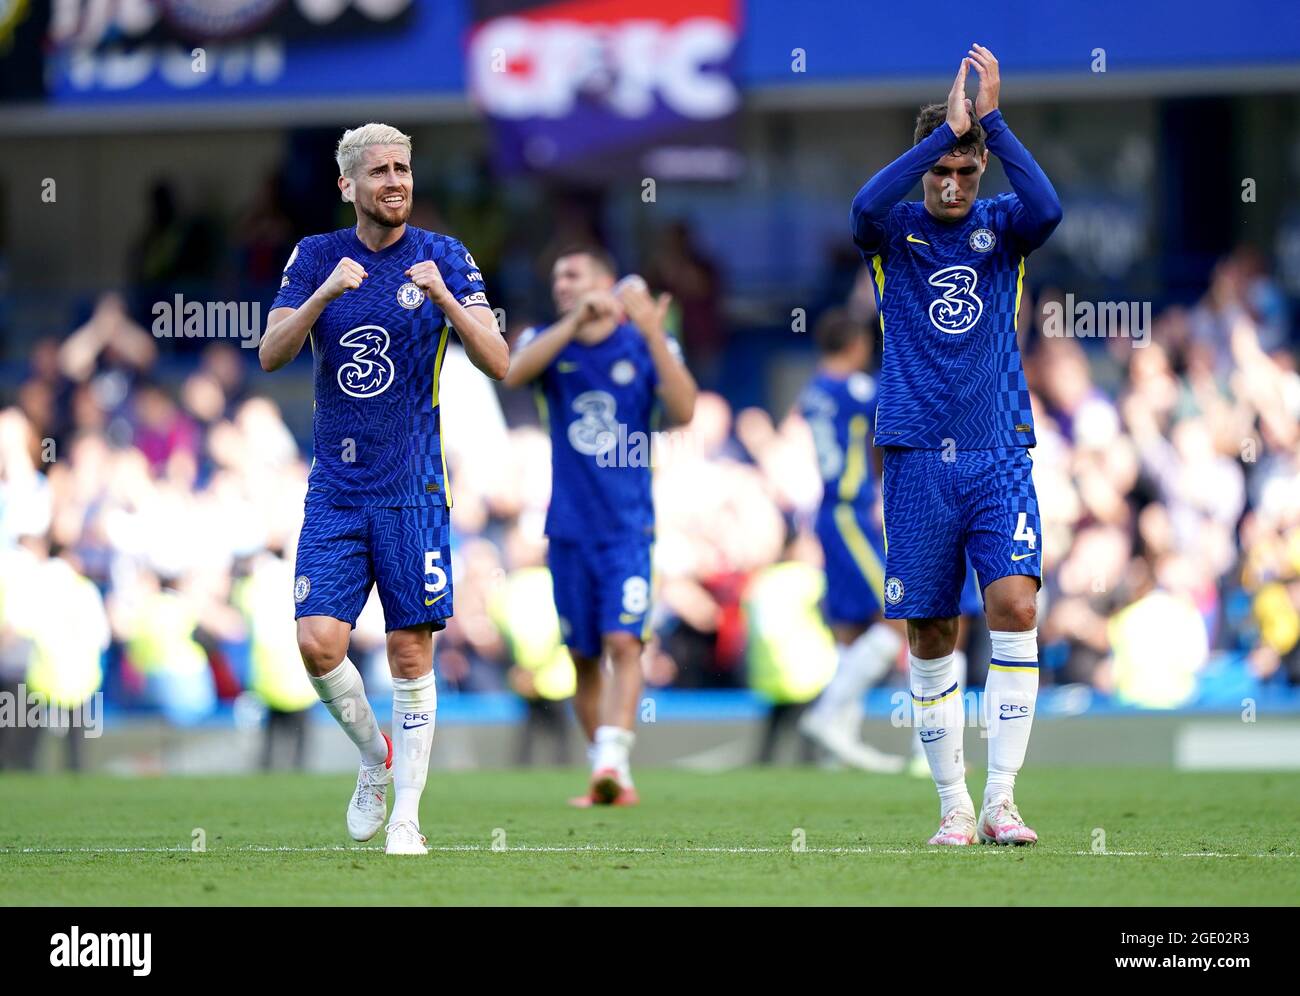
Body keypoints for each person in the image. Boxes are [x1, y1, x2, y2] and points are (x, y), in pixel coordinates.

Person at [258, 123, 508, 855]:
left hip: (415, 489)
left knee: (409, 653)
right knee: (316, 642)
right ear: (348, 187)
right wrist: (324, 296)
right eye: (379, 172)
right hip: (336, 490)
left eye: (403, 168)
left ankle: (408, 817)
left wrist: (449, 304)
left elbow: (498, 359)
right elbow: (271, 353)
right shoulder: (315, 258)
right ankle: (374, 756)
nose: (396, 181)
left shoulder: (445, 257)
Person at [848, 47, 1062, 846]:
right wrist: (938, 136)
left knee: (1015, 605)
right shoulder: (891, 231)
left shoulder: (1003, 226)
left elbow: (1049, 207)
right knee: (931, 629)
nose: (951, 185)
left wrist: (992, 124)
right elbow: (862, 205)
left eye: (965, 172)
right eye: (940, 170)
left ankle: (1003, 799)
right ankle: (953, 807)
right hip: (911, 454)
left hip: (997, 446)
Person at [504, 249, 697, 805]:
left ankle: (613, 757)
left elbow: (684, 413)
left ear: (607, 283)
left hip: (628, 528)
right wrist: (572, 322)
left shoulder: (642, 344)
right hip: (567, 528)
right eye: (557, 276)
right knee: (583, 657)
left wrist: (654, 333)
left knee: (624, 640)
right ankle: (607, 771)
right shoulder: (547, 340)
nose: (562, 284)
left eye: (574, 275)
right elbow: (513, 373)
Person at [795, 309, 905, 772]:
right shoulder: (855, 388)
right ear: (856, 344)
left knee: (851, 627)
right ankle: (825, 716)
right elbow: (891, 406)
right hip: (850, 513)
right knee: (897, 614)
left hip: (829, 511)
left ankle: (840, 744)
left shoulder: (813, 391)